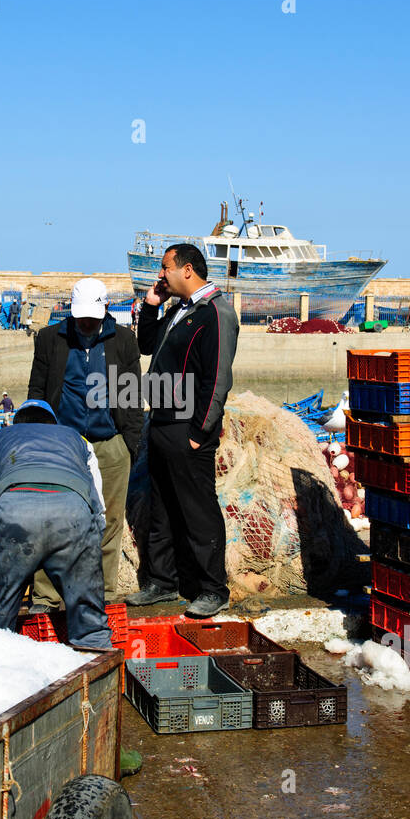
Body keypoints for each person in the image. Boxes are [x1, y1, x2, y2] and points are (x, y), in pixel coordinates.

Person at [129, 243, 239, 618]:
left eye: (165, 268)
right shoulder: (179, 310)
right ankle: (162, 581)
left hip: (188, 427)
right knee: (162, 509)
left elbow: (218, 379)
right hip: (161, 421)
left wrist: (199, 430)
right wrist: (151, 304)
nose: (161, 275)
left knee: (197, 510)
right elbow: (146, 345)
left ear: (187, 270)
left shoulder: (217, 313)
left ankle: (212, 589)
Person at [26, 278, 142, 612]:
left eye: (92, 314)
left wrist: (128, 444)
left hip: (110, 444)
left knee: (108, 521)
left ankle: (100, 593)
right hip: (62, 443)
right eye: (81, 315)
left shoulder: (123, 341)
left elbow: (132, 396)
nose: (86, 322)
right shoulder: (50, 339)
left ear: (105, 308)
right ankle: (47, 595)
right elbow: (37, 390)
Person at [0, 399, 111, 650]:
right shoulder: (77, 440)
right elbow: (98, 505)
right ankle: (97, 662)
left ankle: (0, 672)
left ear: (17, 423)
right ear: (53, 423)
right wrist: (88, 547)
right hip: (72, 518)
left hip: (15, 520)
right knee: (90, 623)